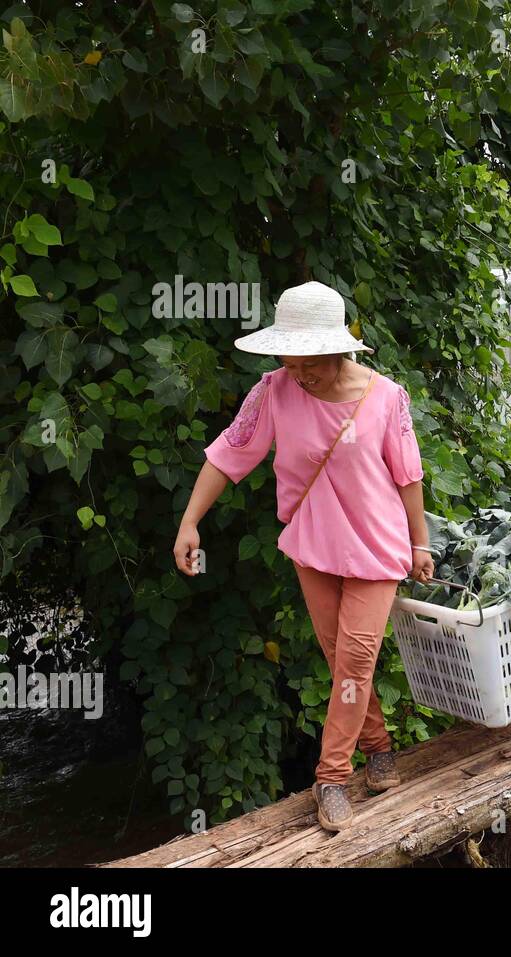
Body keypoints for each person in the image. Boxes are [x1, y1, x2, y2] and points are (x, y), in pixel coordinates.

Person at [171, 281, 432, 833]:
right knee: (341, 659)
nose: (298, 371)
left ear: (338, 347)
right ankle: (380, 747)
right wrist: (190, 521)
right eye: (288, 358)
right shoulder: (274, 391)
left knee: (357, 660)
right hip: (313, 544)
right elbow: (228, 454)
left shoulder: (386, 397)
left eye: (307, 360)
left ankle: (331, 778)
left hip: (378, 546)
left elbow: (408, 476)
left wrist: (420, 542)